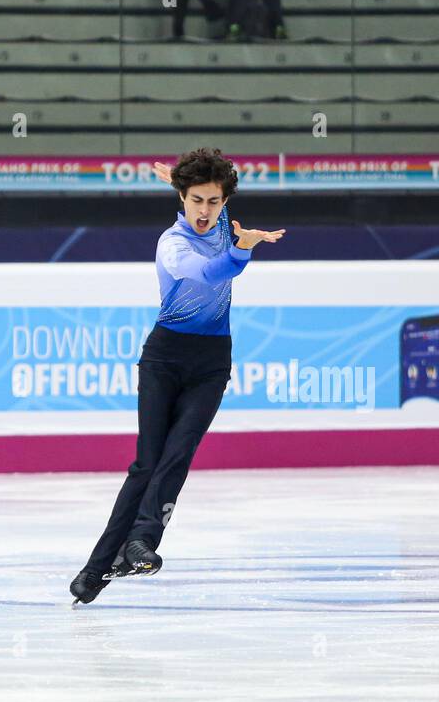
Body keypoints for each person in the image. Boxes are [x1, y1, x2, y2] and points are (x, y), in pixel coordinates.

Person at [70, 148, 286, 604]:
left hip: (211, 363)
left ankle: (141, 542)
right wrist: (242, 251)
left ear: (224, 202)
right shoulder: (172, 243)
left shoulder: (225, 221)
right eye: (195, 201)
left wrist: (181, 180)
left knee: (179, 451)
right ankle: (98, 568)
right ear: (182, 201)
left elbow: (207, 196)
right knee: (147, 463)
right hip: (164, 359)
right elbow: (206, 273)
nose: (204, 211)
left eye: (213, 202)